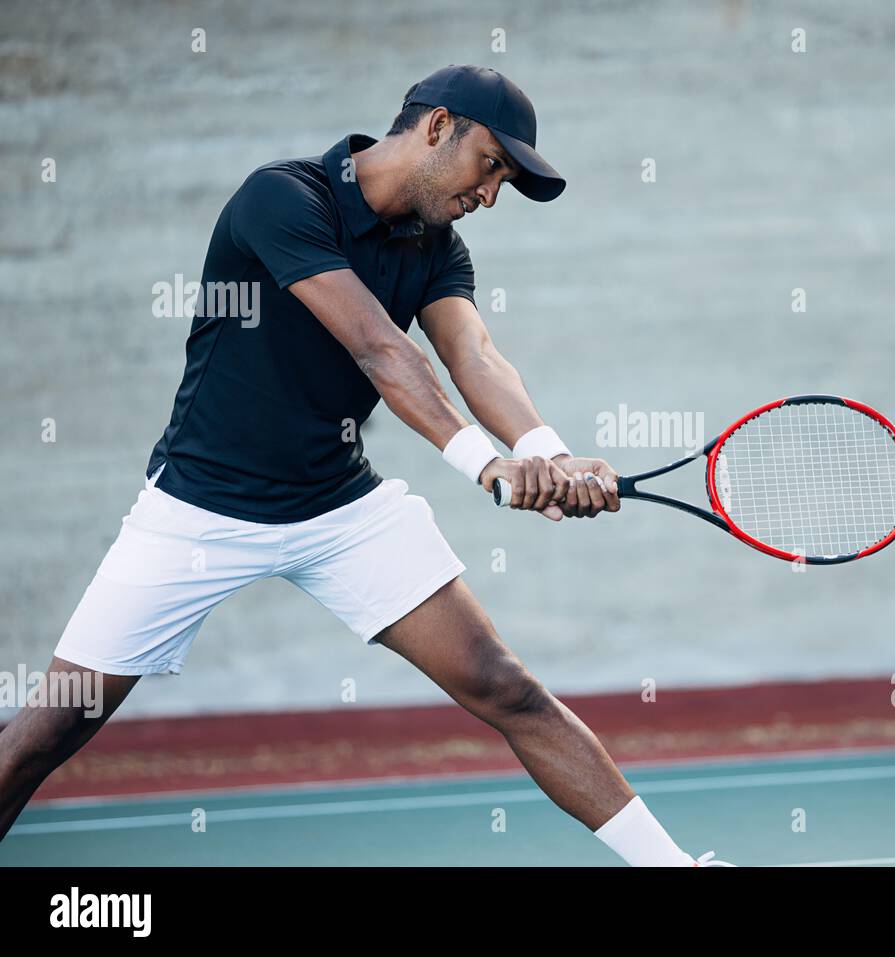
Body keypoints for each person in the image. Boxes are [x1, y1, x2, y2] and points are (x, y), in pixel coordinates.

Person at [0, 65, 733, 867]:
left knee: (507, 687)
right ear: (435, 126)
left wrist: (544, 451)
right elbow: (381, 350)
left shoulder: (436, 249)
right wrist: (489, 469)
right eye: (491, 164)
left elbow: (473, 355)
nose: (492, 195)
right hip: (198, 511)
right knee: (52, 726)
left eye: (508, 183)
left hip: (338, 511)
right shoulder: (280, 198)